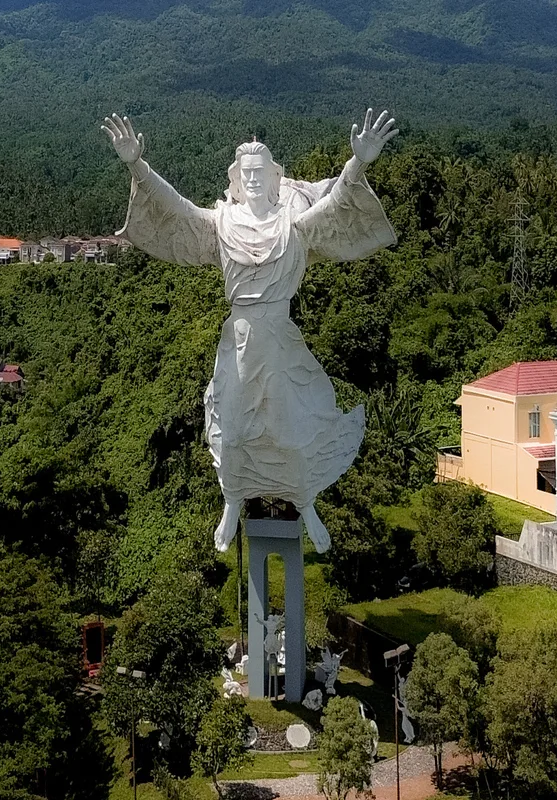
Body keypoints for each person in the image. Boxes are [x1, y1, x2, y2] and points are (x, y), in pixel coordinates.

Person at [102, 109, 398, 552]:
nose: (254, 178)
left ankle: (306, 502)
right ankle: (232, 501)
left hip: (279, 339)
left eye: (261, 170)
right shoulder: (222, 224)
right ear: (238, 177)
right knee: (234, 427)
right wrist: (136, 164)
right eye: (247, 171)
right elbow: (174, 209)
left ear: (274, 175)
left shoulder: (293, 225)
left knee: (291, 428)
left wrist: (359, 163)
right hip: (238, 339)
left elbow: (337, 206)